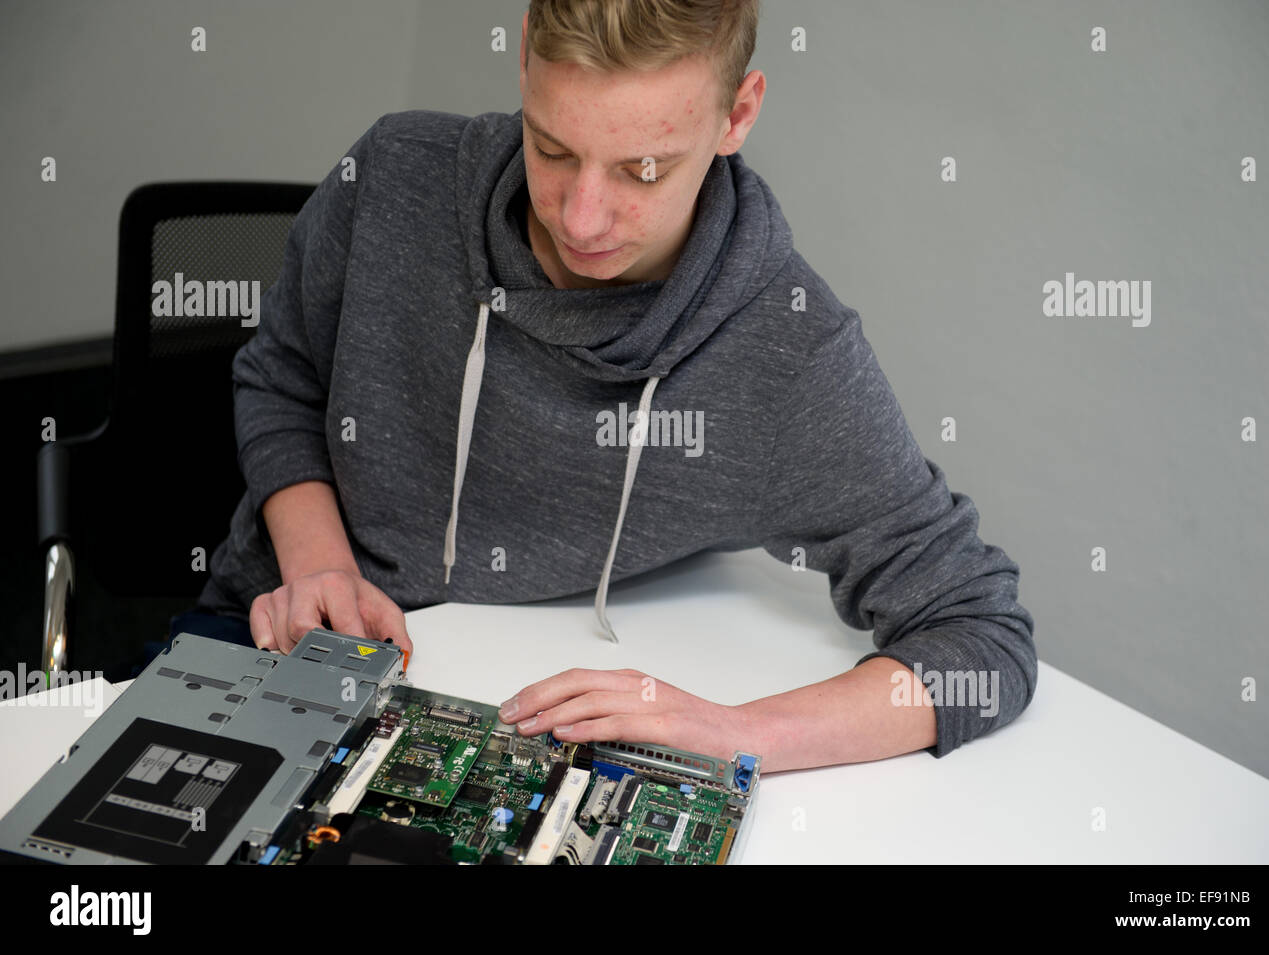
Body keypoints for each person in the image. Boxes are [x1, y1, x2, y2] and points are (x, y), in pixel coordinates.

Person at [193, 0, 1037, 773]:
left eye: (642, 171)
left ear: (737, 115)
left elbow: (982, 640)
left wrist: (733, 731)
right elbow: (284, 374)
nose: (580, 218)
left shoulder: (786, 352)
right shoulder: (393, 176)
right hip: (275, 640)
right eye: (553, 148)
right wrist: (317, 562)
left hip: (514, 715)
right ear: (524, 56)